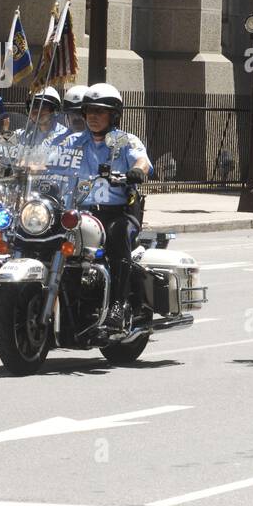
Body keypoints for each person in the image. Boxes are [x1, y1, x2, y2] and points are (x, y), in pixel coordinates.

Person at [66, 83, 153, 329]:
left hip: (118, 212)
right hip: (81, 214)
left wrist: (137, 170)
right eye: (89, 111)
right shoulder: (74, 141)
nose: (93, 116)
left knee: (116, 238)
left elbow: (141, 159)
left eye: (100, 111)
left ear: (113, 115)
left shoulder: (123, 140)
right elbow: (50, 160)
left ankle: (118, 302)